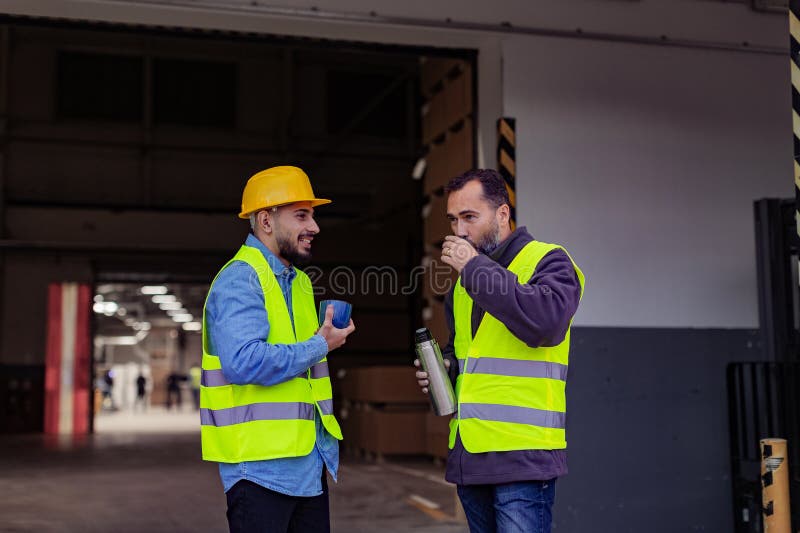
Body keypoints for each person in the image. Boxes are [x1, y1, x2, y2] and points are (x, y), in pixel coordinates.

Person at [414, 169, 584, 533]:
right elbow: (464, 351)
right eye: (454, 220)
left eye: (469, 218)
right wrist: (444, 367)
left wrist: (474, 267)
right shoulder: (462, 284)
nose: (459, 231)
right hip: (471, 456)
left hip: (523, 456)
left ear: (502, 214)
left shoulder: (549, 261)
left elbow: (545, 323)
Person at [202, 165, 355, 533]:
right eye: (302, 216)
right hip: (259, 471)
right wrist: (321, 345)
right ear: (266, 221)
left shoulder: (299, 283)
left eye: (313, 216)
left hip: (307, 466)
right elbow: (244, 363)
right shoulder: (240, 279)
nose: (314, 227)